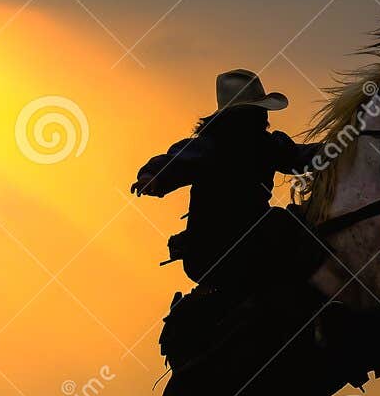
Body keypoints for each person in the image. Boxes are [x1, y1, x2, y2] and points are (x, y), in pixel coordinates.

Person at [132, 69, 323, 294]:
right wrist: (152, 176)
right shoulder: (211, 147)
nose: (264, 118)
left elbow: (302, 157)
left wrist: (344, 144)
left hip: (248, 241)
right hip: (214, 250)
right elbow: (173, 162)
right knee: (283, 222)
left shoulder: (265, 146)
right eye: (258, 111)